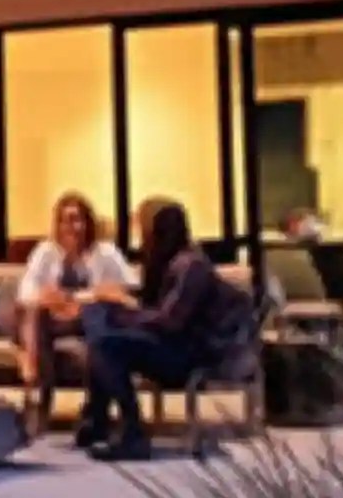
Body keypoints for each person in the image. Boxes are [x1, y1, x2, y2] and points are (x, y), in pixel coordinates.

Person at [78, 203, 253, 461]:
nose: (141, 236)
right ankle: (99, 418)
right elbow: (154, 309)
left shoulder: (192, 266)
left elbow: (171, 320)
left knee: (105, 344)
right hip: (172, 344)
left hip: (194, 354)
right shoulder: (166, 260)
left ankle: (125, 429)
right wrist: (120, 305)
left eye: (144, 228)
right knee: (97, 317)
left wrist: (127, 316)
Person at [16, 193, 135, 384]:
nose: (70, 228)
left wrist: (78, 298)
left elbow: (128, 288)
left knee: (94, 312)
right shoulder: (45, 252)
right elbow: (25, 292)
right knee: (34, 312)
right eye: (64, 221)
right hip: (54, 316)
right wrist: (46, 297)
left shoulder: (106, 253)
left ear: (88, 223)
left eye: (76, 220)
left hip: (90, 317)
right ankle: (37, 380)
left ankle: (98, 378)